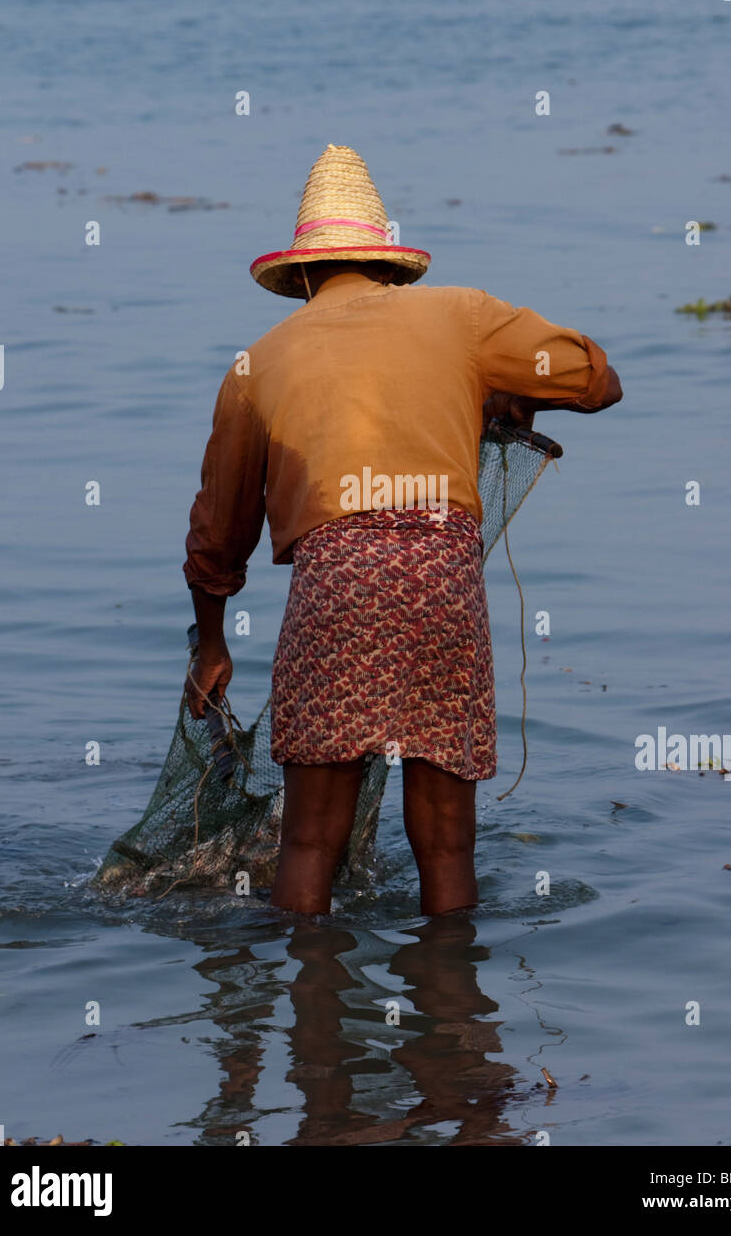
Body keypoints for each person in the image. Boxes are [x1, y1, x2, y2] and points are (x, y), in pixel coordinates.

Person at [183, 144, 622, 916]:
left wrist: (212, 643)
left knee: (312, 842)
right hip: (441, 578)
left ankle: (316, 1021)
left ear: (304, 276)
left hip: (336, 587)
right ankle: (451, 1014)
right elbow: (596, 380)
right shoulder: (462, 317)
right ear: (389, 265)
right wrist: (512, 396)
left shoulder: (257, 364)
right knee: (449, 845)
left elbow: (220, 535)